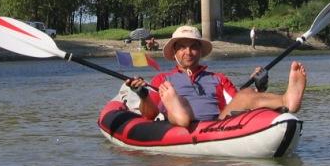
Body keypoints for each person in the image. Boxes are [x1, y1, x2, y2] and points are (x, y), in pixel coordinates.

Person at [125, 25, 306, 128]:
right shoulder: (162, 80)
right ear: (174, 52)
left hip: (217, 125)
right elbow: (150, 115)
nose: (188, 52)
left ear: (201, 51)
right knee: (180, 105)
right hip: (177, 125)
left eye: (193, 47)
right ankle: (178, 108)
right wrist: (143, 95)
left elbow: (239, 105)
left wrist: (260, 88)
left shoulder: (218, 78)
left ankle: (287, 99)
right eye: (182, 47)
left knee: (246, 93)